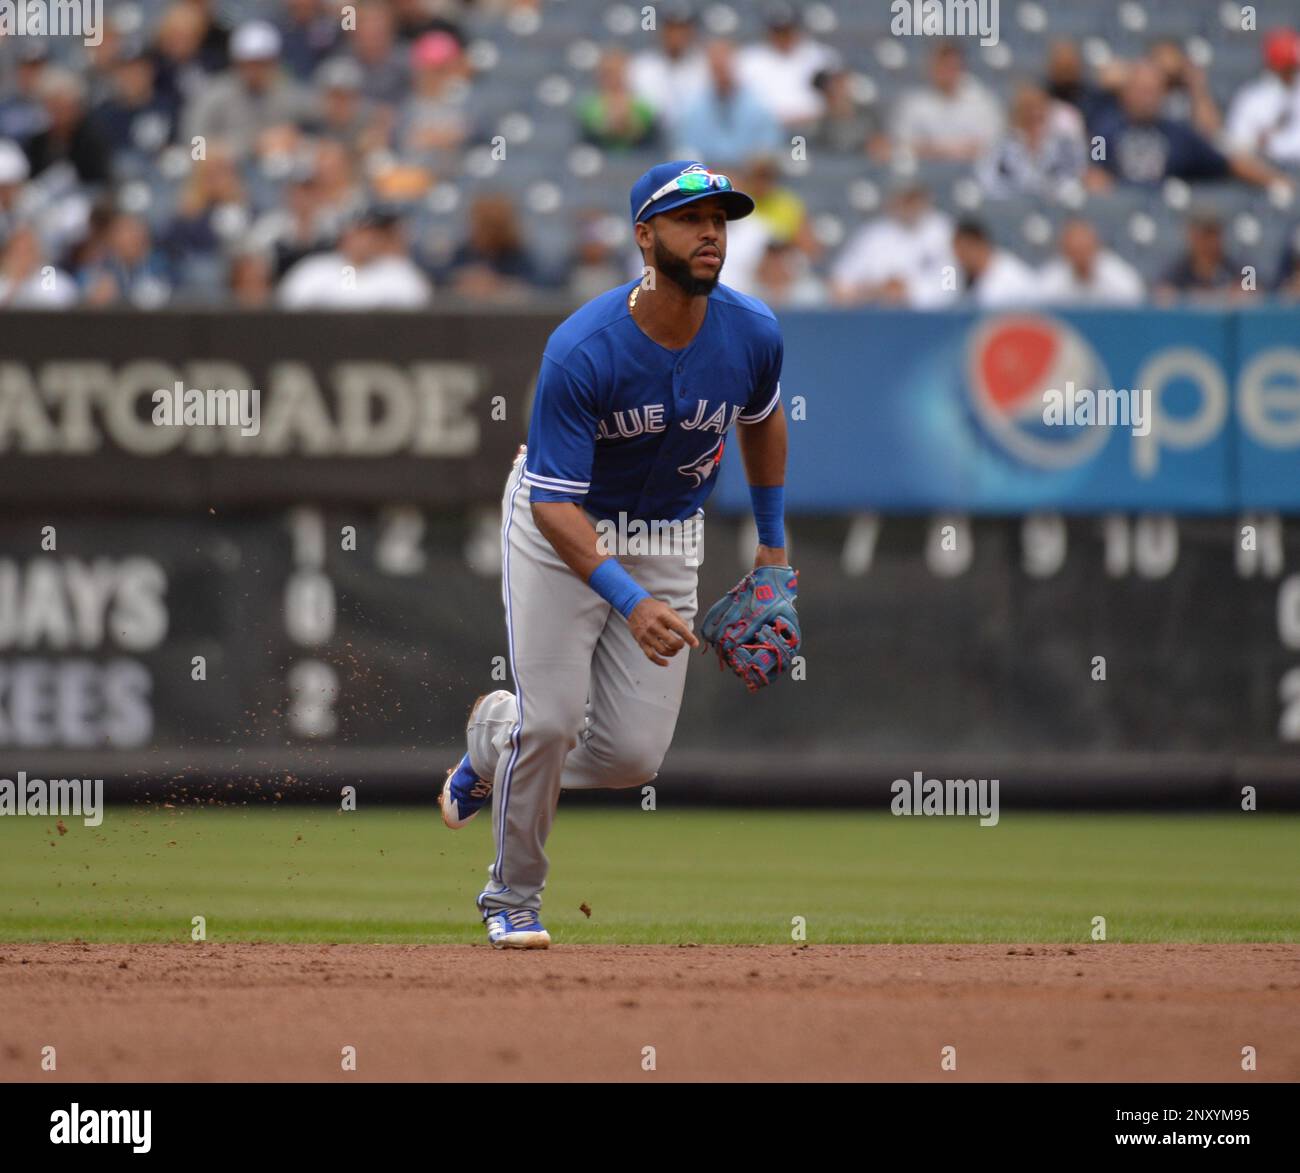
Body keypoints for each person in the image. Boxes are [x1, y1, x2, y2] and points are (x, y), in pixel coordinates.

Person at [437, 161, 789, 949]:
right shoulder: (583, 347)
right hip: (563, 527)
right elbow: (553, 502)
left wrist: (772, 548)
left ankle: (497, 736)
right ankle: (512, 896)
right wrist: (630, 600)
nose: (710, 233)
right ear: (644, 235)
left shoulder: (752, 330)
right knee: (555, 717)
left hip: (667, 533)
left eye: (720, 219)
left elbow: (763, 421)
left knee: (631, 758)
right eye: (689, 218)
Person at [1088, 61, 1282, 189]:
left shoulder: (1178, 135)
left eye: (1152, 91)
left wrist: (1276, 182)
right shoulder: (1105, 132)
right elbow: (1094, 170)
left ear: (1163, 95)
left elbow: (1226, 163)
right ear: (1125, 92)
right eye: (1141, 90)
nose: (1146, 98)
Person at [182, 20, 311, 160]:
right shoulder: (215, 95)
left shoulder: (289, 92)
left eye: (262, 63)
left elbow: (326, 124)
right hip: (229, 172)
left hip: (281, 170)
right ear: (236, 62)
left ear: (274, 62)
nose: (255, 70)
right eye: (249, 63)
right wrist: (249, 145)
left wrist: (296, 140)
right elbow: (195, 148)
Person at [830, 180, 955, 308]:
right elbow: (840, 284)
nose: (910, 206)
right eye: (905, 199)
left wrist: (909, 290)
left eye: (914, 199)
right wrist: (877, 290)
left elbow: (951, 285)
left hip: (931, 316)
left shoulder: (942, 231)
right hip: (880, 316)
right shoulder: (872, 235)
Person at [278, 206, 432, 309]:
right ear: (343, 235)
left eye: (371, 234)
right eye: (359, 233)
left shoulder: (398, 271)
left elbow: (417, 310)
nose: (364, 240)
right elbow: (290, 310)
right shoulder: (315, 269)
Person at [673, 39, 781, 166]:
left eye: (725, 65)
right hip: (707, 181)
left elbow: (768, 154)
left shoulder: (759, 108)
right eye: (716, 67)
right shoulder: (692, 111)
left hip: (749, 181)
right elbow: (686, 157)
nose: (722, 72)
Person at [891, 40, 1004, 161]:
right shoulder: (914, 102)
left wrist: (934, 150)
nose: (946, 72)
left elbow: (993, 146)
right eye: (941, 65)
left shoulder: (982, 101)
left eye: (951, 66)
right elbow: (901, 145)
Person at [977, 81, 1086, 200]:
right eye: (1028, 108)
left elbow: (1076, 175)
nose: (1034, 113)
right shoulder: (1003, 145)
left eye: (1040, 107)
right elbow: (988, 180)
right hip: (1012, 206)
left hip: (1055, 205)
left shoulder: (1064, 144)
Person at [736, 0, 835, 129]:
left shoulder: (822, 57)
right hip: (762, 129)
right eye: (778, 31)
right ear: (768, 31)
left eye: (787, 30)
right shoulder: (748, 59)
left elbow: (835, 100)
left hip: (815, 130)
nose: (783, 37)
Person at [629, 0, 708, 133]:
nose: (676, 35)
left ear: (692, 31)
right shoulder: (641, 67)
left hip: (699, 137)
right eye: (671, 28)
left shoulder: (706, 66)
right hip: (652, 140)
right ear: (660, 30)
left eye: (682, 28)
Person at [1224, 27, 1300, 165]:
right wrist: (1256, 143)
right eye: (1288, 66)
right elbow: (1237, 146)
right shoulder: (1252, 98)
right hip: (1268, 170)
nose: (1293, 72)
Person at [1036, 217, 1145, 305]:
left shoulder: (1119, 278)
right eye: (1074, 251)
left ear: (1096, 247)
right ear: (1064, 251)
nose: (1080, 256)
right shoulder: (1052, 279)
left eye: (1084, 249)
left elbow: (1133, 305)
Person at [1154, 210, 1246, 305]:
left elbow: (1254, 292)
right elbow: (1163, 293)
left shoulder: (1235, 268)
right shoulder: (1176, 270)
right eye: (1202, 236)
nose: (1207, 243)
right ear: (1191, 236)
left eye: (1212, 234)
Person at [577, 48, 658, 153]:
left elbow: (645, 131)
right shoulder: (589, 105)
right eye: (608, 72)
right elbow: (594, 129)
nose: (614, 77)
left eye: (619, 71)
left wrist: (628, 124)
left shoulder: (642, 105)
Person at [951, 218, 1040, 308]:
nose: (959, 258)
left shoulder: (1008, 278)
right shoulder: (969, 276)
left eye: (963, 250)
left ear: (978, 244)